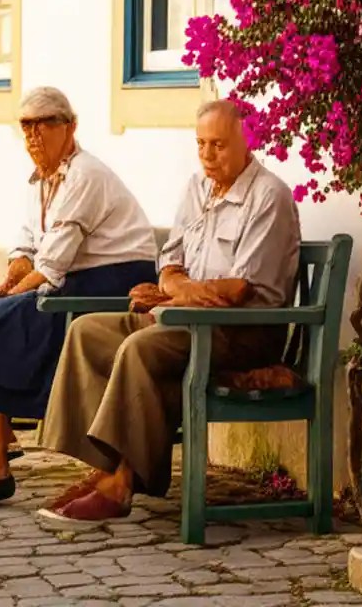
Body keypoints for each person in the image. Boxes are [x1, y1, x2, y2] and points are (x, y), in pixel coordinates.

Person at [37, 98, 301, 521]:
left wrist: (178, 295)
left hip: (243, 332)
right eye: (201, 145)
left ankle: (121, 486)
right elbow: (171, 262)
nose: (207, 155)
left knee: (141, 348)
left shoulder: (268, 196)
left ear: (246, 141)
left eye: (218, 145)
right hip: (184, 318)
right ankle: (102, 466)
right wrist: (180, 289)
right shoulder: (197, 188)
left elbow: (235, 290)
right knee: (87, 332)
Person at [0, 86, 159, 515]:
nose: (34, 135)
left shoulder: (85, 176)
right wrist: (10, 277)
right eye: (26, 126)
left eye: (45, 124)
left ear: (70, 127)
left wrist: (7, 295)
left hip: (109, 288)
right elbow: (27, 246)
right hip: (70, 282)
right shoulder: (38, 181)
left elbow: (52, 266)